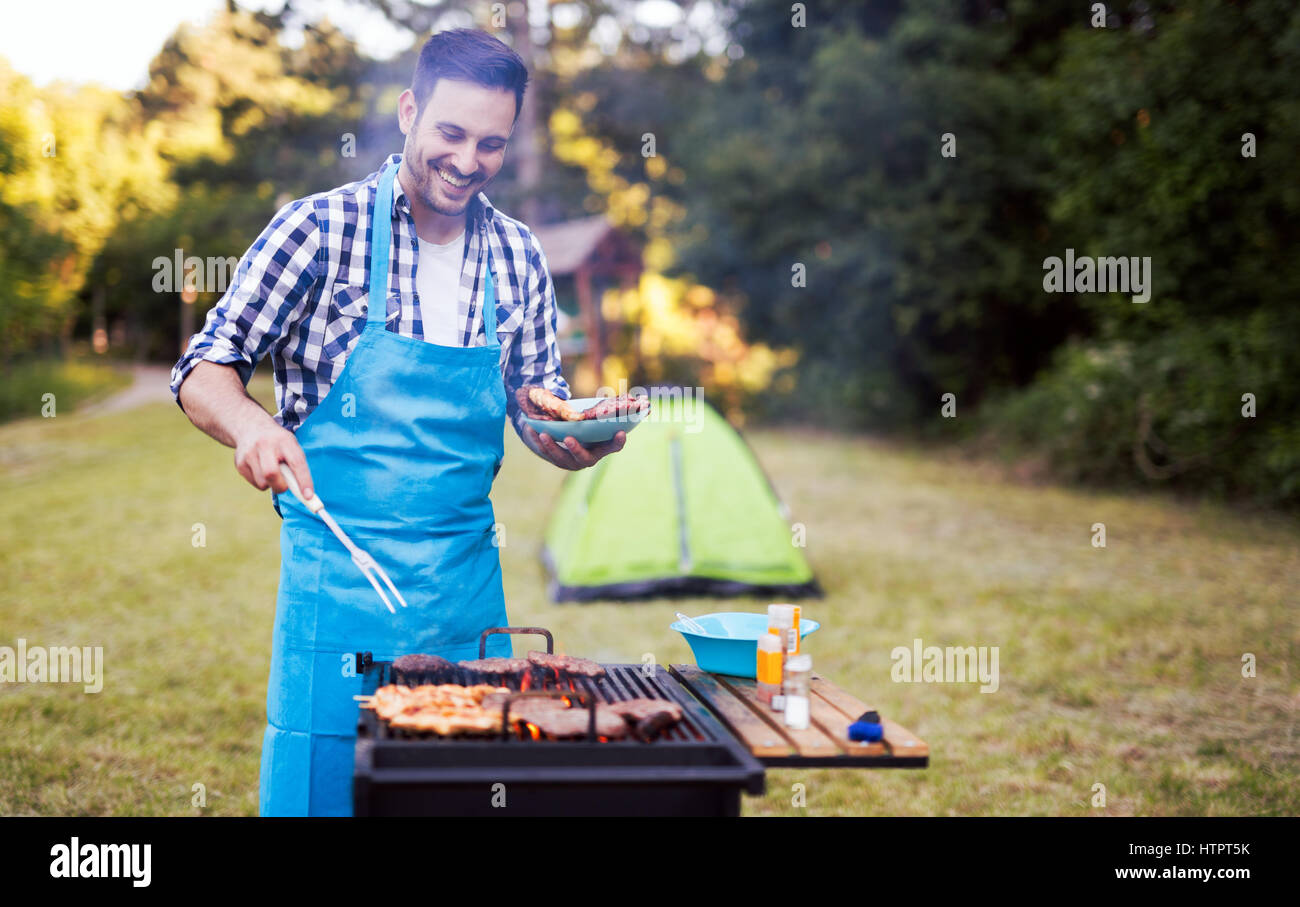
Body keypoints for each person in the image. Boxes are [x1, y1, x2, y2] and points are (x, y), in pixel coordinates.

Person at [169, 28, 624, 816]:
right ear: (410, 111)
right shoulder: (316, 231)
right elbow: (205, 368)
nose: (467, 159)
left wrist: (575, 440)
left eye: (491, 143)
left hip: (465, 602)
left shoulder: (517, 255)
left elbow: (536, 404)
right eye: (450, 133)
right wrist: (251, 427)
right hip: (337, 594)